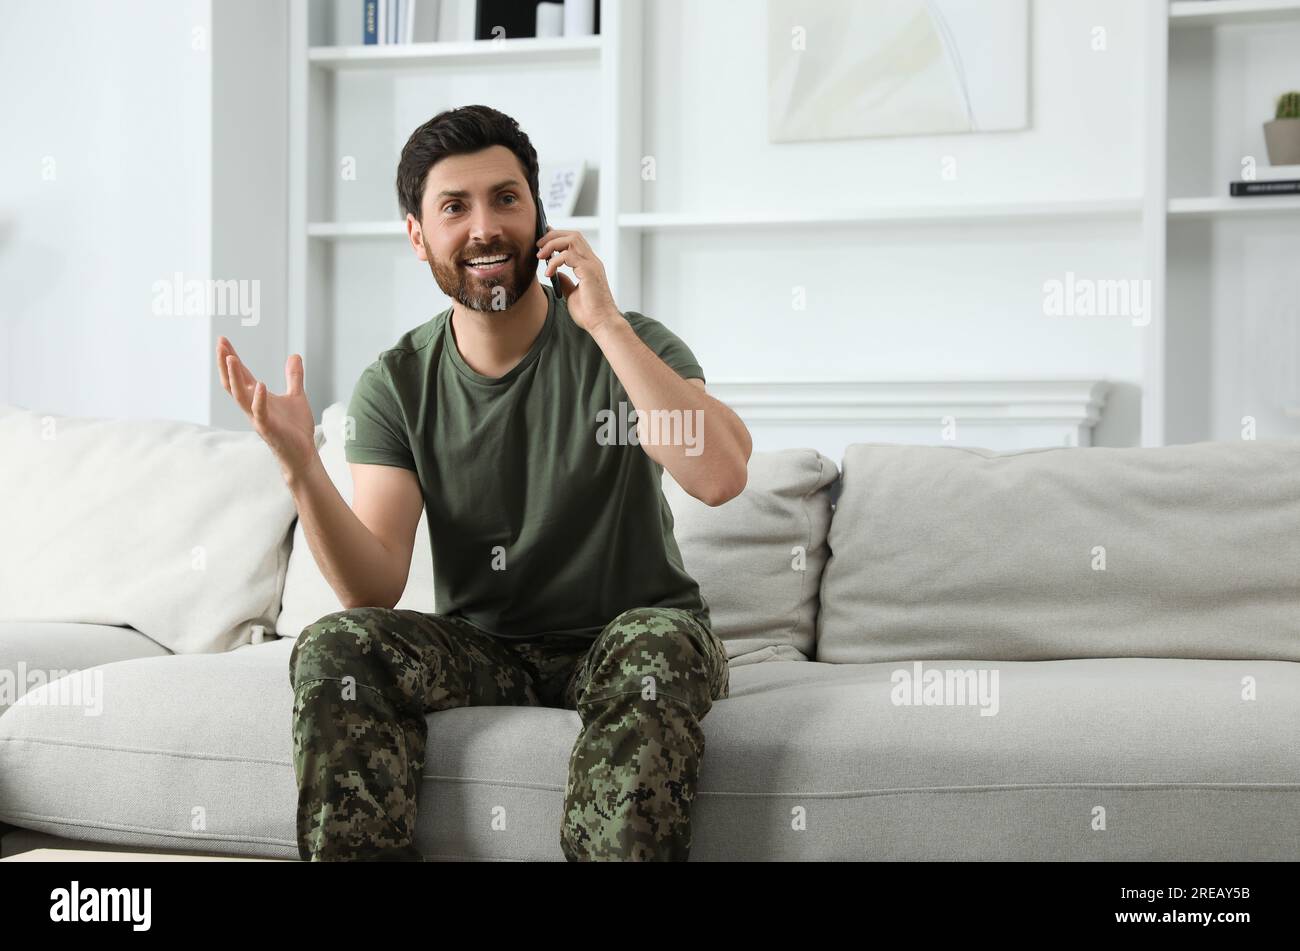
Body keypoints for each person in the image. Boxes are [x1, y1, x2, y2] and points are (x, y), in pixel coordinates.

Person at [216, 104, 752, 862]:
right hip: (490, 651)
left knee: (655, 645)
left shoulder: (627, 341)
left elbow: (722, 475)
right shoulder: (397, 383)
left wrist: (605, 326)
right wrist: (303, 468)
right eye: (453, 207)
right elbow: (373, 585)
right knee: (337, 644)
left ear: (538, 217)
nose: (484, 227)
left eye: (506, 198)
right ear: (417, 234)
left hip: (635, 631)